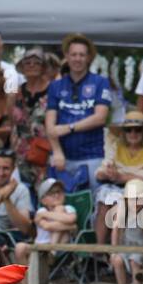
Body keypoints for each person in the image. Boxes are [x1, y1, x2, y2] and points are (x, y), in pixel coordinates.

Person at [44, 33, 111, 194]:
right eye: (73, 54)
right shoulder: (55, 86)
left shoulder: (101, 82)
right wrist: (57, 151)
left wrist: (69, 127)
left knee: (92, 205)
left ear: (89, 57)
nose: (77, 59)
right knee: (59, 205)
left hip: (92, 157)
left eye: (82, 55)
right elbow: (49, 124)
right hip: (62, 158)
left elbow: (100, 118)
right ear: (67, 56)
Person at [93, 110, 143, 243]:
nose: (133, 133)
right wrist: (106, 173)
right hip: (115, 188)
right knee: (104, 200)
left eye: (137, 130)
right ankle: (99, 251)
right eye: (128, 130)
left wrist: (122, 177)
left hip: (140, 191)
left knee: (122, 204)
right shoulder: (115, 146)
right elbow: (101, 170)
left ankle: (122, 252)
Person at [13, 178, 78, 284]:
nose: (56, 195)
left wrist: (61, 222)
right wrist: (69, 226)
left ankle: (51, 253)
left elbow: (71, 219)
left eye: (59, 192)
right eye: (51, 193)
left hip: (59, 250)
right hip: (39, 248)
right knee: (19, 247)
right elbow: (46, 225)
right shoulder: (41, 211)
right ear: (43, 200)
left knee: (60, 212)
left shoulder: (67, 208)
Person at [107, 179, 143, 284]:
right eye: (132, 199)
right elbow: (115, 231)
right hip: (126, 244)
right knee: (117, 260)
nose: (136, 203)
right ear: (126, 199)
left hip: (141, 246)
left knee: (134, 260)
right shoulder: (121, 210)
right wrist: (114, 251)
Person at [12, 47, 51, 186]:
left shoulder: (53, 91)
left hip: (45, 154)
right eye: (27, 63)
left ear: (44, 67)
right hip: (20, 155)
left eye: (36, 62)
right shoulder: (16, 92)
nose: (31, 65)